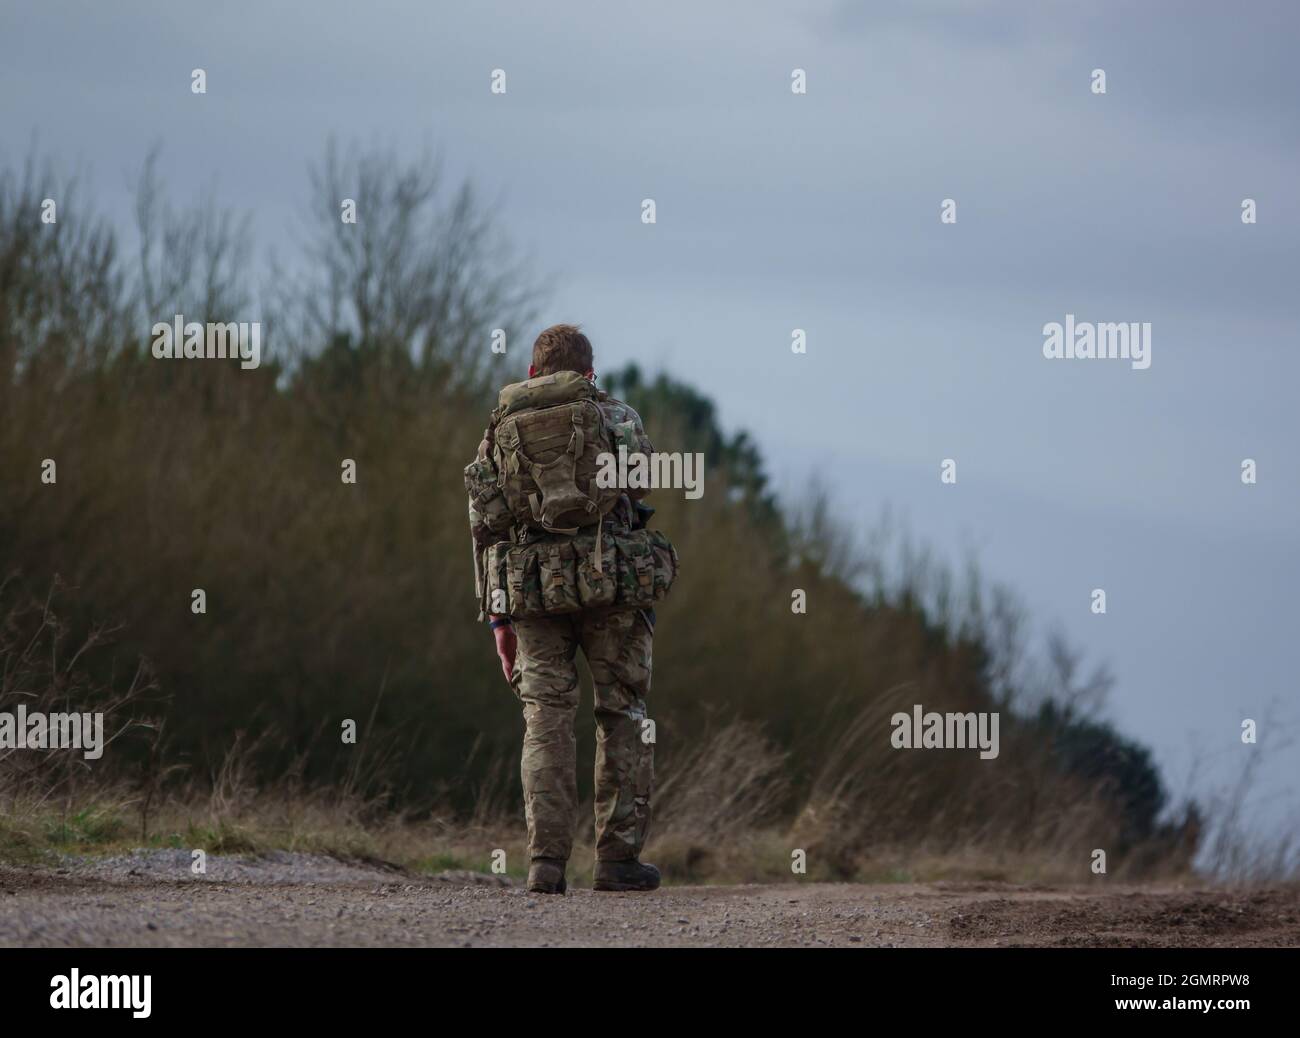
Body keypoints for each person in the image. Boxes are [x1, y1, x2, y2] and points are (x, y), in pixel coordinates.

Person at [465, 324, 667, 895]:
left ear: (532, 373)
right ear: (589, 375)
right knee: (622, 713)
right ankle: (616, 860)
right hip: (612, 589)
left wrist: (498, 620)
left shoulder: (498, 431)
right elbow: (645, 480)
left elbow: (485, 528)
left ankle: (545, 863)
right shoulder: (615, 416)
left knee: (545, 718)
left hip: (532, 596)